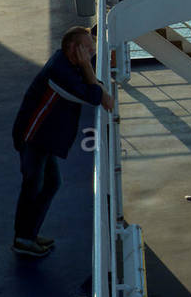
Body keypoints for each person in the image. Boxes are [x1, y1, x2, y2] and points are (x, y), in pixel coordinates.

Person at [10, 26, 114, 257]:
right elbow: (92, 96)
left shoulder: (68, 64)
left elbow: (94, 80)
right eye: (87, 49)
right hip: (32, 138)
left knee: (49, 184)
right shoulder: (60, 73)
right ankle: (22, 239)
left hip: (43, 139)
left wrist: (91, 71)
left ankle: (29, 234)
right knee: (33, 187)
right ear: (72, 49)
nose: (91, 54)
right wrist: (90, 71)